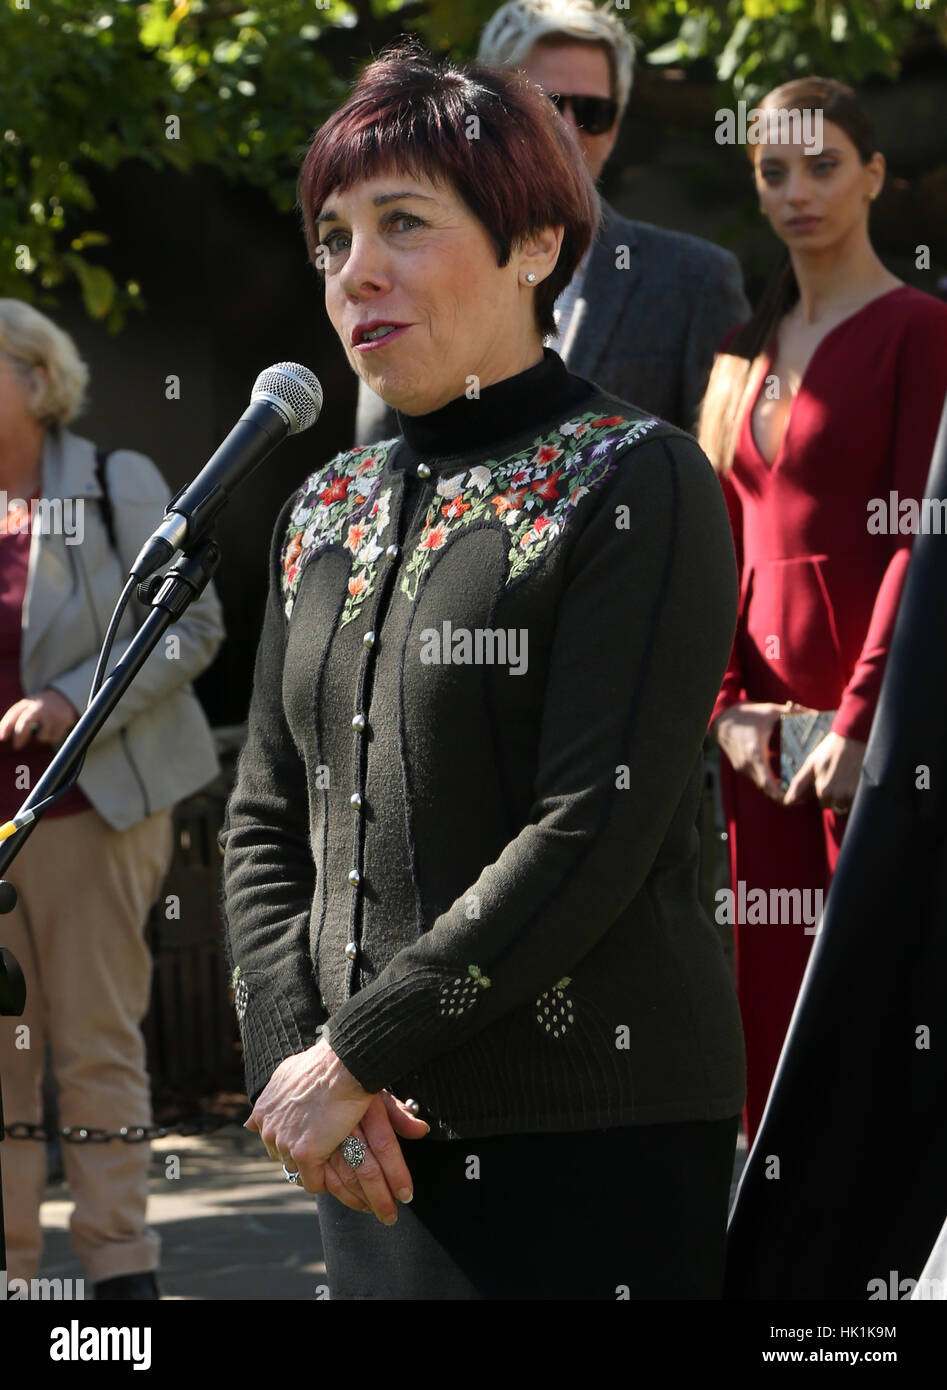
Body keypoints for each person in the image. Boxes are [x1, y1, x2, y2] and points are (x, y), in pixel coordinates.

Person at [220, 41, 745, 1301]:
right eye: (332, 237)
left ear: (534, 247)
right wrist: (300, 1068)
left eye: (403, 222)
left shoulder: (636, 478)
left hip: (587, 1140)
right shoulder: (322, 505)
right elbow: (260, 820)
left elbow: (591, 825)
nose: (357, 271)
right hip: (369, 1148)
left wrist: (350, 1049)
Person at [698, 79, 947, 1146]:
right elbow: (708, 548)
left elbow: (917, 539)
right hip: (756, 742)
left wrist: (857, 721)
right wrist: (720, 710)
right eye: (771, 171)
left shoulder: (919, 330)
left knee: (884, 1006)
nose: (796, 190)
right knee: (770, 1006)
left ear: (874, 175)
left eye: (822, 165)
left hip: (870, 732)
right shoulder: (732, 355)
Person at [0, 300, 225, 1298]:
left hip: (86, 810)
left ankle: (118, 1274)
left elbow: (188, 626)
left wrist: (68, 700)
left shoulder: (110, 481)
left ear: (37, 381)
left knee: (92, 1041)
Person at [353, 0, 749, 447]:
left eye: (594, 112)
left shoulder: (694, 280)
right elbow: (381, 458)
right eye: (546, 105)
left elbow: (720, 479)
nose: (569, 128)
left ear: (615, 127)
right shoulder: (415, 262)